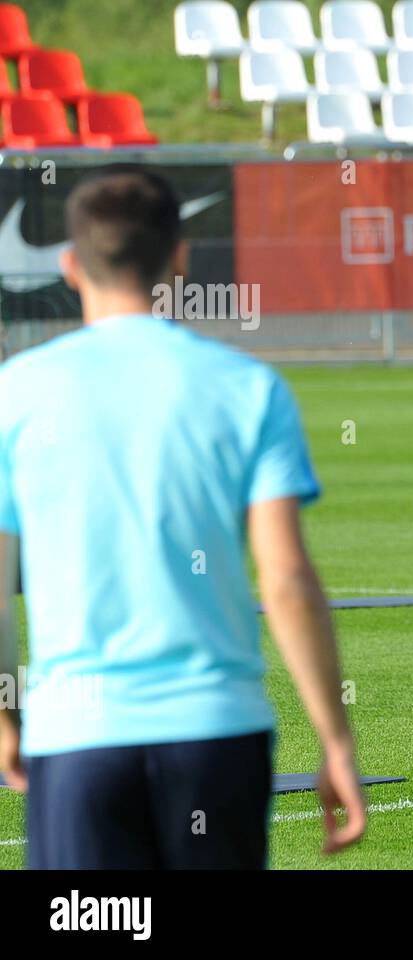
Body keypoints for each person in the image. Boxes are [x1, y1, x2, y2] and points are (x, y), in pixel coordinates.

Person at [0, 168, 366, 868]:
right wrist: (335, 740)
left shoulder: (16, 394)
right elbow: (285, 580)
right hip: (216, 734)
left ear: (70, 265)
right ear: (180, 256)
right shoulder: (248, 388)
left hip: (77, 737)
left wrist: (3, 713)